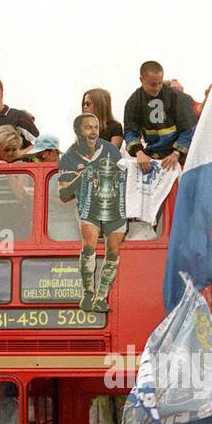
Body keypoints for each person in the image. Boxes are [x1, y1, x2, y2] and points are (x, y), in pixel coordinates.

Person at [58, 113, 127, 312]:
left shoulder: (111, 150)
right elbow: (63, 194)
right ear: (78, 130)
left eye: (96, 127)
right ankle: (88, 294)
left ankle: (102, 297)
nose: (93, 131)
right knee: (89, 247)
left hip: (114, 207)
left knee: (113, 251)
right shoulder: (69, 156)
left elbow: (124, 176)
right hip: (89, 209)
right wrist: (81, 178)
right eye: (88, 127)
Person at [123, 61, 195, 173]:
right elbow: (130, 132)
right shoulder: (134, 102)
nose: (157, 88)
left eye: (160, 83)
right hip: (153, 153)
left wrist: (176, 153)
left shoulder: (178, 97)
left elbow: (189, 129)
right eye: (152, 84)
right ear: (141, 80)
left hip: (180, 155)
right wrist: (139, 153)